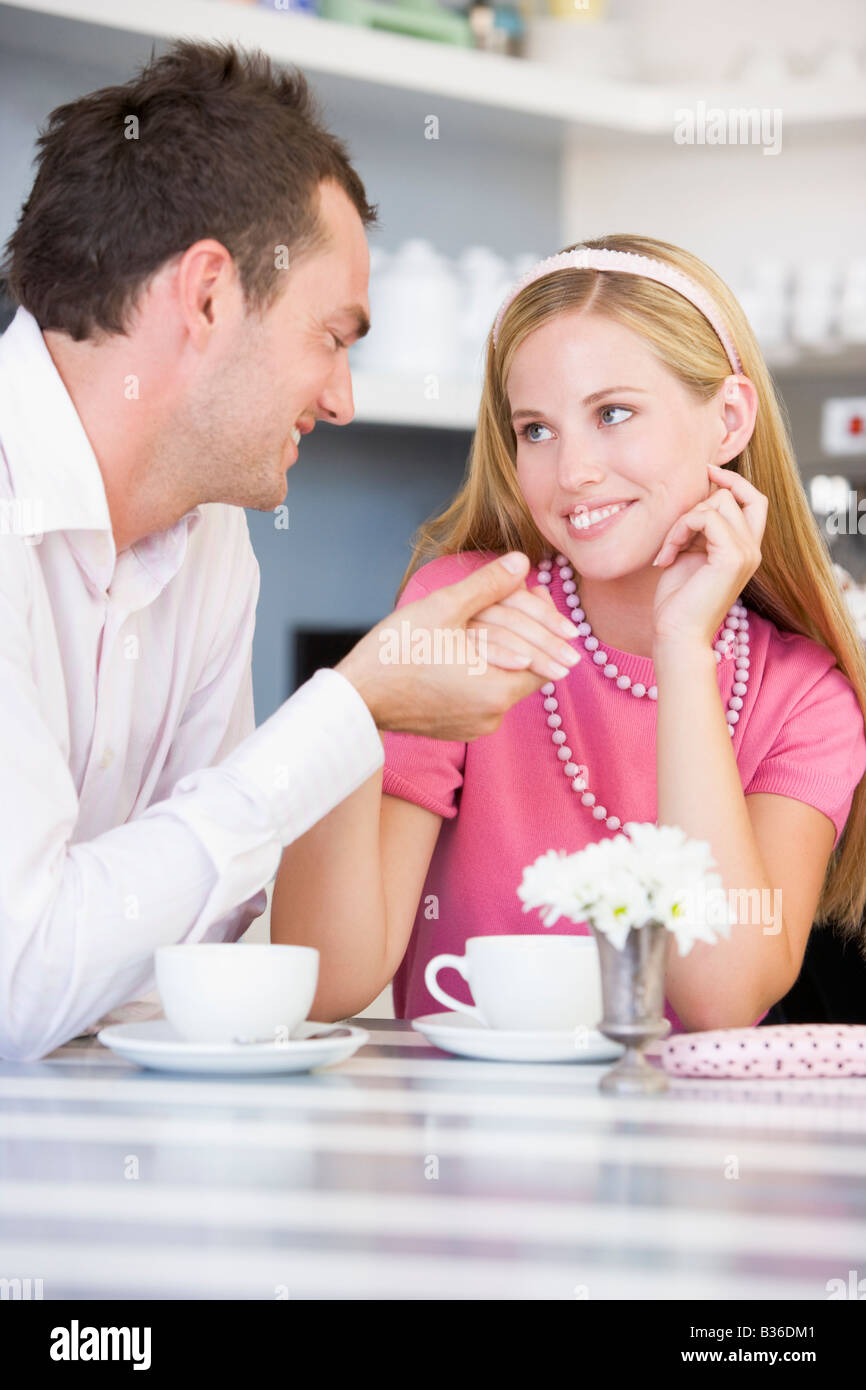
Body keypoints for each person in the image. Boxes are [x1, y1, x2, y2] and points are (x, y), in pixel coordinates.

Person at [0, 41, 580, 1062]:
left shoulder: (209, 536)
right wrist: (352, 711)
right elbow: (20, 987)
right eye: (331, 335)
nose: (342, 399)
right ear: (210, 296)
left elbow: (194, 944)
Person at [272, 235, 866, 1035]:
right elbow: (324, 980)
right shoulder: (466, 615)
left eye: (613, 413)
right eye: (537, 430)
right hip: (465, 1146)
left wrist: (685, 652)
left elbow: (720, 998)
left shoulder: (804, 696)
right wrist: (359, 706)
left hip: (679, 1154)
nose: (573, 470)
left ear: (728, 420)